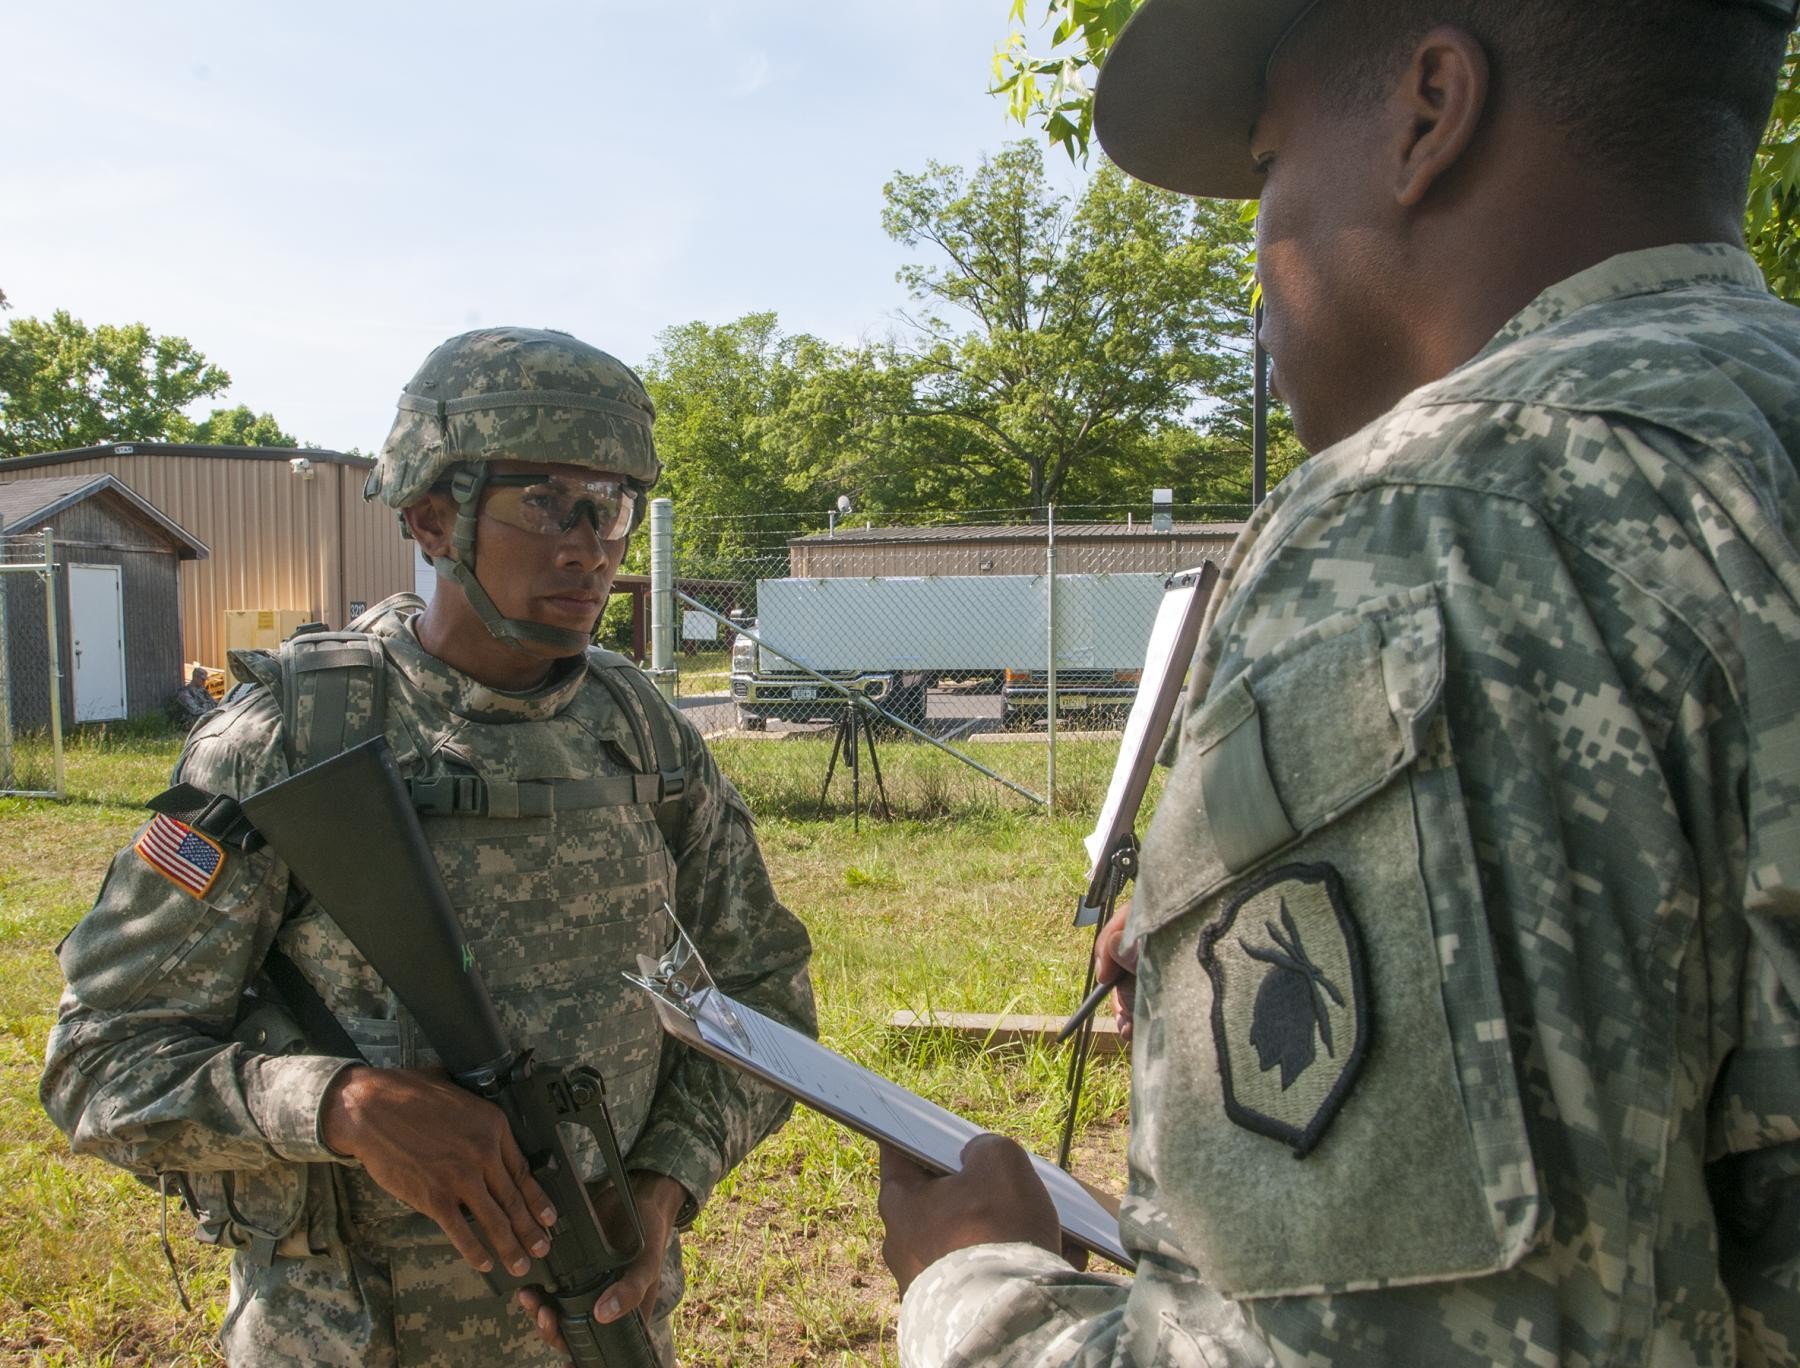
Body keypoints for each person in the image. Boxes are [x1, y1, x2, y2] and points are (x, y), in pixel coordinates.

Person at [876, 1, 1800, 1363]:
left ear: (1429, 109)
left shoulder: (1434, 522)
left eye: (1267, 168)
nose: (1256, 256)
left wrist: (976, 1282)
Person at [41, 326, 816, 1365]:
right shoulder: (294, 743)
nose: (590, 546)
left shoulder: (644, 736)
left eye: (611, 507)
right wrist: (343, 1107)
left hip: (599, 1326)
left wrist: (663, 1183)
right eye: (546, 503)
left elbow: (764, 998)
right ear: (431, 518)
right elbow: (98, 1060)